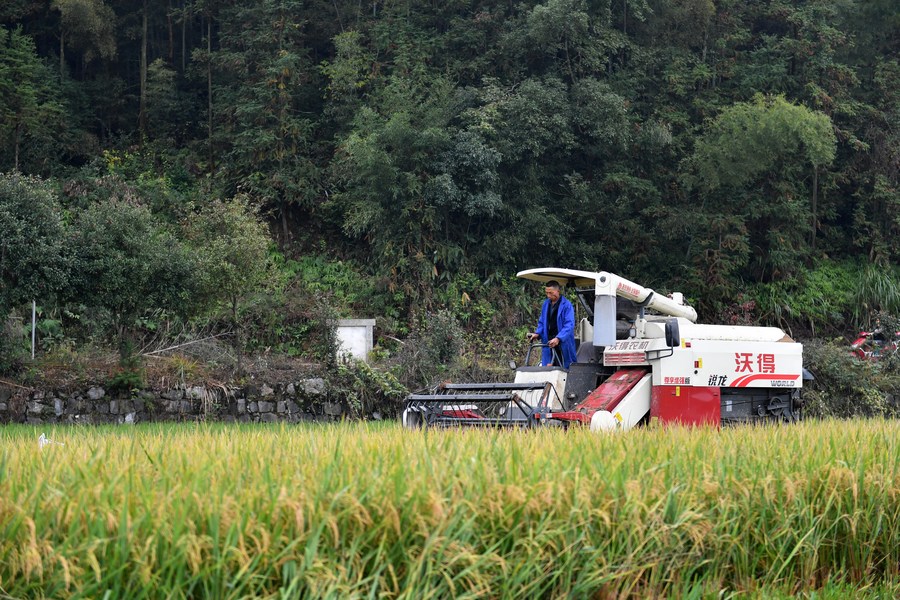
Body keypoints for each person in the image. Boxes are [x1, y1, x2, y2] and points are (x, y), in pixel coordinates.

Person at [526, 280, 576, 368]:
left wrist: (558, 338)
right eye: (547, 293)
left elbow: (569, 325)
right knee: (548, 368)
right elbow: (542, 322)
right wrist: (537, 333)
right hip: (548, 341)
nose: (548, 295)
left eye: (551, 293)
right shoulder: (546, 304)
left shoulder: (567, 305)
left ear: (558, 291)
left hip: (562, 342)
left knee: (565, 368)